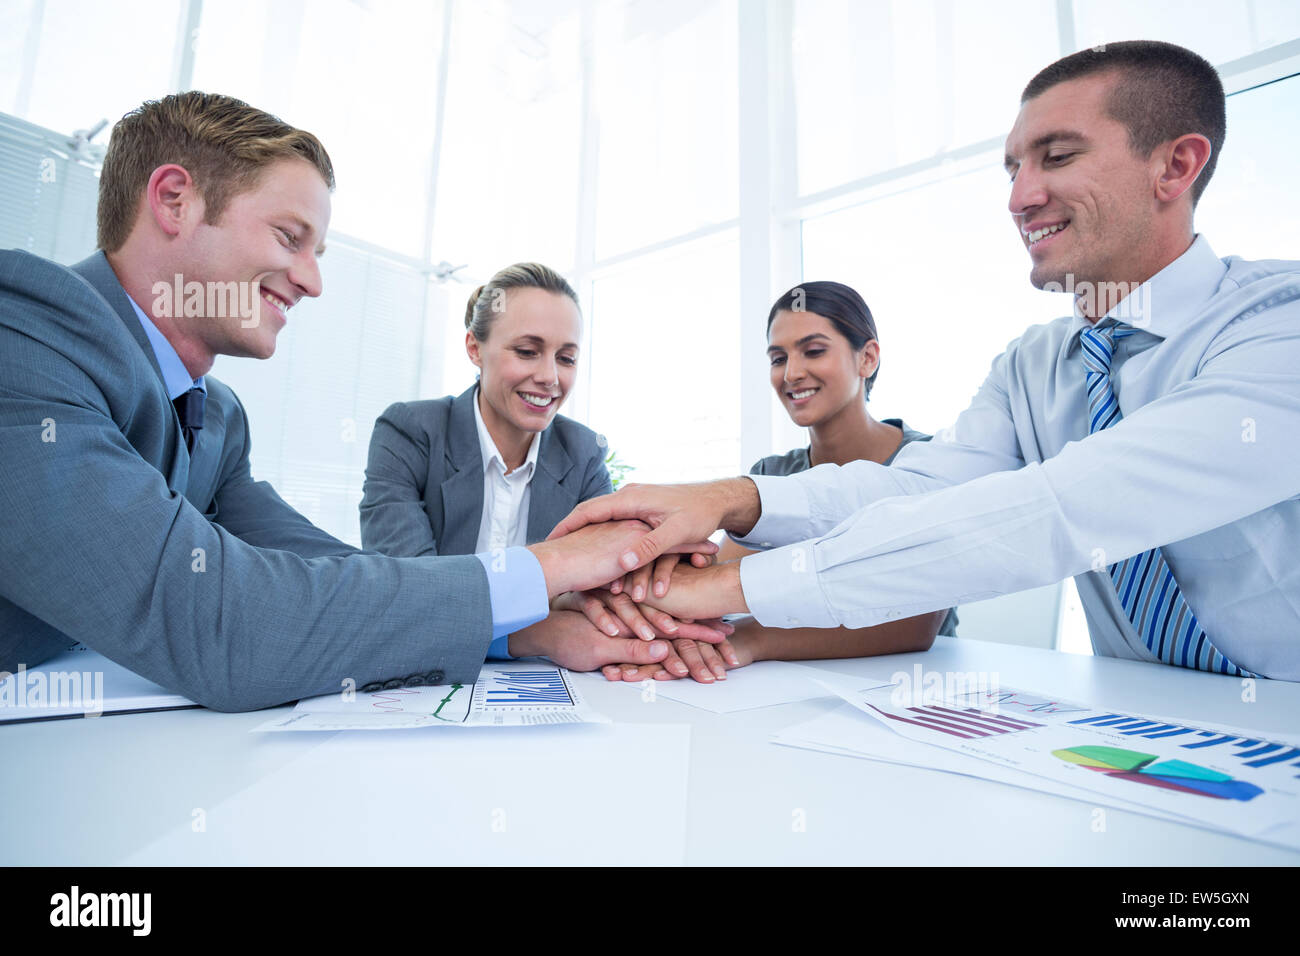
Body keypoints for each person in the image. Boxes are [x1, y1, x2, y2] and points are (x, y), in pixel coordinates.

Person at [551, 40, 1300, 682]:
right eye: (1011, 169)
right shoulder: (1031, 365)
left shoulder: (1278, 324)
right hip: (1139, 724)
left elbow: (1062, 509)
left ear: (1176, 167)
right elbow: (918, 489)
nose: (1020, 197)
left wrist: (726, 589)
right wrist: (728, 499)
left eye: (1057, 156)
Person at [0, 92, 710, 712]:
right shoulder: (26, 328)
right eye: (290, 238)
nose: (311, 283)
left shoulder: (215, 418)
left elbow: (327, 574)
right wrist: (551, 568)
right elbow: (219, 623)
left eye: (320, 253)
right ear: (174, 200)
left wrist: (524, 631)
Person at [359, 263, 730, 664]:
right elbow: (408, 597)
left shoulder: (583, 452)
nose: (550, 377)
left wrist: (672, 600)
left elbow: (604, 590)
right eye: (527, 352)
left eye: (566, 358)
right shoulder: (412, 431)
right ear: (474, 348)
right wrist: (537, 632)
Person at [602, 281, 954, 684]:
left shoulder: (928, 463)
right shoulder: (770, 474)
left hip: (915, 682)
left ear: (867, 358)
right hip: (793, 687)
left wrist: (753, 641)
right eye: (777, 357)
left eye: (814, 350)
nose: (792, 373)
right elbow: (713, 578)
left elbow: (916, 619)